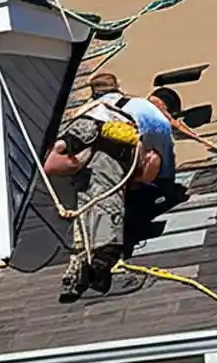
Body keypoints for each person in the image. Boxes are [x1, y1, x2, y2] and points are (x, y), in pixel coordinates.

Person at [43, 73, 177, 302]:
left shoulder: (84, 109)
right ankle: (102, 261)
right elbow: (163, 168)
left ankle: (80, 259)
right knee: (123, 178)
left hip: (75, 157)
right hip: (109, 154)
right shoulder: (145, 108)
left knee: (87, 197)